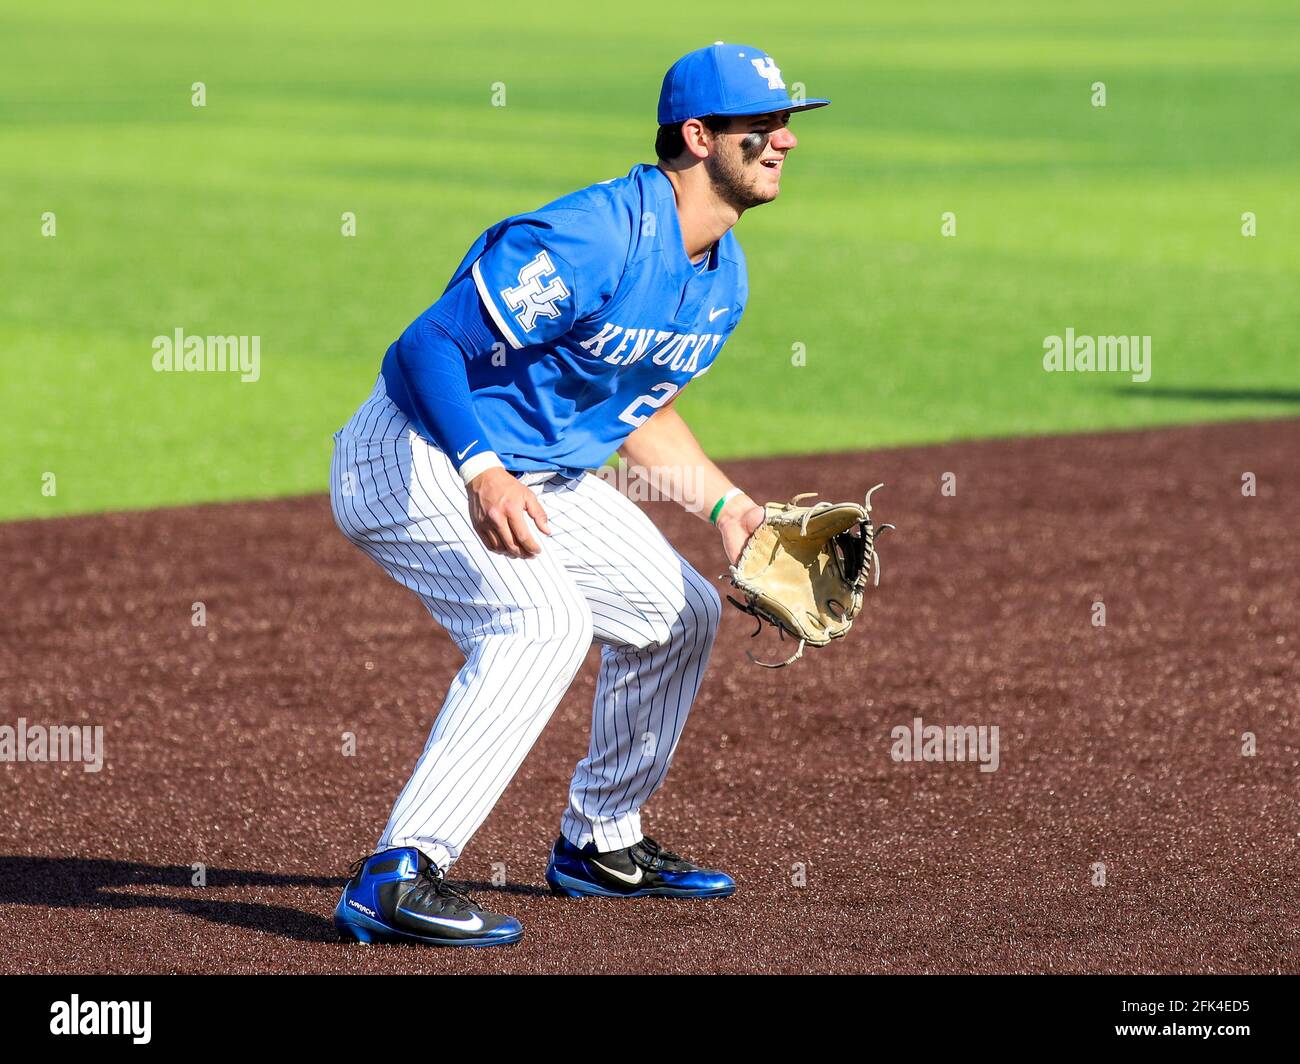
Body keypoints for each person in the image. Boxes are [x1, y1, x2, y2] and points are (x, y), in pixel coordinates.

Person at [329, 42, 829, 946]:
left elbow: (634, 406)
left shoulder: (724, 275)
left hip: (541, 473)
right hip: (413, 455)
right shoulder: (597, 235)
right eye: (763, 127)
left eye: (789, 123)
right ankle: (399, 875)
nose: (785, 141)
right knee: (540, 622)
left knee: (676, 618)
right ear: (698, 136)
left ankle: (600, 844)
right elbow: (426, 347)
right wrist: (482, 470)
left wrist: (731, 510)